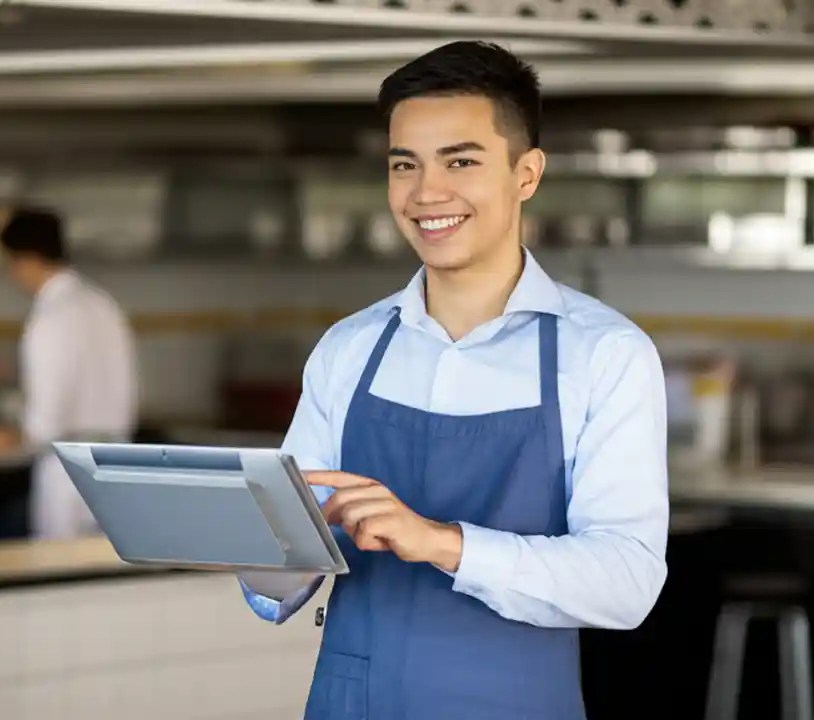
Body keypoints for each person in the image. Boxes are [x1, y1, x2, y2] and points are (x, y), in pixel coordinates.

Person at [237, 41, 669, 719]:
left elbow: (627, 582)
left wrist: (442, 542)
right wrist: (253, 539)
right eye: (403, 165)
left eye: (460, 162)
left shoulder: (605, 355)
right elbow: (272, 586)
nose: (425, 194)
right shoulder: (348, 349)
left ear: (526, 174)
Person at [0, 208, 138, 540]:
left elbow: (45, 423)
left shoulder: (50, 318)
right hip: (116, 467)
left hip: (67, 475)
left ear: (23, 259)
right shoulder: (103, 305)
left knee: (59, 577)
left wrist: (13, 435)